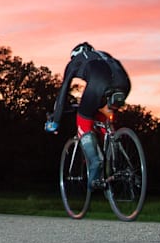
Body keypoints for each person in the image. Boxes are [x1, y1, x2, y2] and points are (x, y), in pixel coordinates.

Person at [44, 42, 131, 189]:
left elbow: (63, 91)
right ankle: (114, 148)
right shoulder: (104, 55)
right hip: (124, 83)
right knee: (102, 113)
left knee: (83, 119)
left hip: (100, 83)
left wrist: (56, 120)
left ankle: (95, 163)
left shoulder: (76, 61)